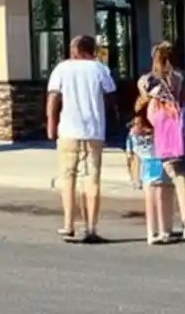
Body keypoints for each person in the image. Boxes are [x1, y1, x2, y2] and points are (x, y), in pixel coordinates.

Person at [47, 34, 118, 243]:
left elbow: (53, 97)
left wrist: (51, 123)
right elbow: (111, 96)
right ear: (92, 50)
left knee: (68, 178)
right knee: (92, 179)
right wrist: (114, 122)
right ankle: (91, 228)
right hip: (94, 131)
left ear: (75, 49)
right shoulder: (99, 69)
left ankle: (68, 224)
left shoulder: (62, 69)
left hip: (69, 130)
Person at [138, 41, 185, 242]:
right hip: (182, 131)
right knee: (180, 178)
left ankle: (163, 228)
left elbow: (143, 95)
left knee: (164, 179)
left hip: (163, 130)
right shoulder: (184, 79)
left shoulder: (151, 81)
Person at [126, 96, 173, 244]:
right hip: (160, 163)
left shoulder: (133, 133)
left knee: (149, 200)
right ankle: (164, 230)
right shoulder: (159, 129)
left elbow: (131, 155)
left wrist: (133, 177)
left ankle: (151, 233)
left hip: (145, 166)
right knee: (162, 198)